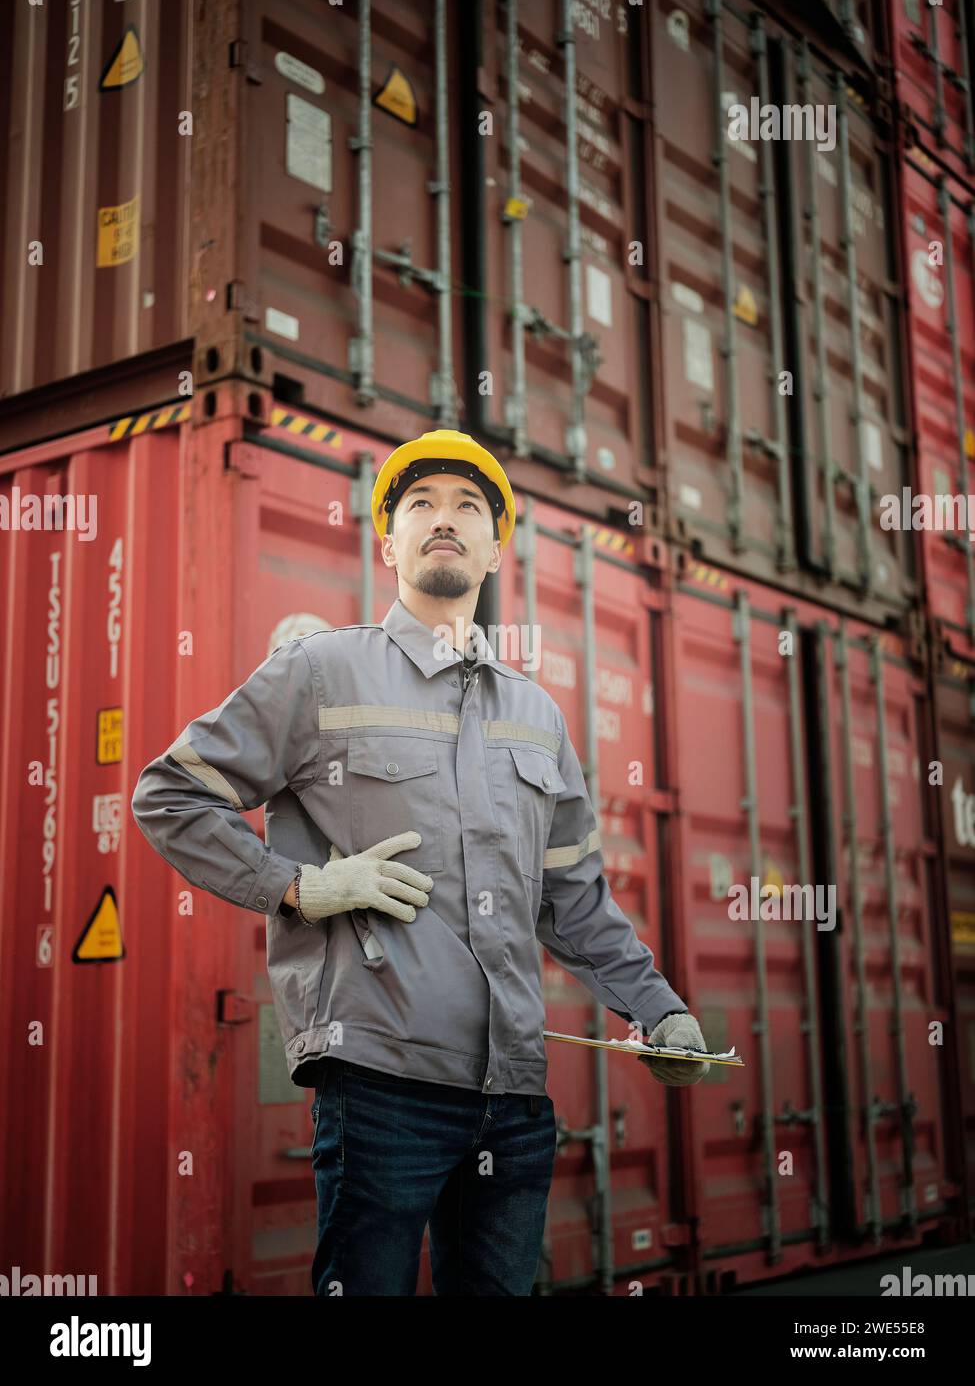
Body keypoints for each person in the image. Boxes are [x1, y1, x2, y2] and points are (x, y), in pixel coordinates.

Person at [130, 428, 710, 1297]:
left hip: (512, 1097)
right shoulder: (321, 671)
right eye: (420, 505)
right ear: (387, 541)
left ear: (494, 548)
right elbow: (169, 793)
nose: (445, 519)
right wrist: (302, 886)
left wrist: (659, 1011)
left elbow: (574, 901)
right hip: (379, 1091)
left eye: (468, 506)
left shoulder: (535, 715)